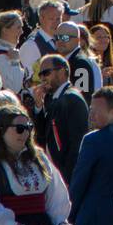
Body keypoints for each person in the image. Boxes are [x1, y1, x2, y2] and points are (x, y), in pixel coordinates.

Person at [32, 54, 90, 185]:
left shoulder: (72, 99)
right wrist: (38, 107)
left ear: (63, 72)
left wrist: (66, 178)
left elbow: (77, 144)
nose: (42, 78)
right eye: (40, 75)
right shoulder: (53, 98)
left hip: (67, 178)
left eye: (46, 73)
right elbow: (42, 136)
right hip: (55, 176)